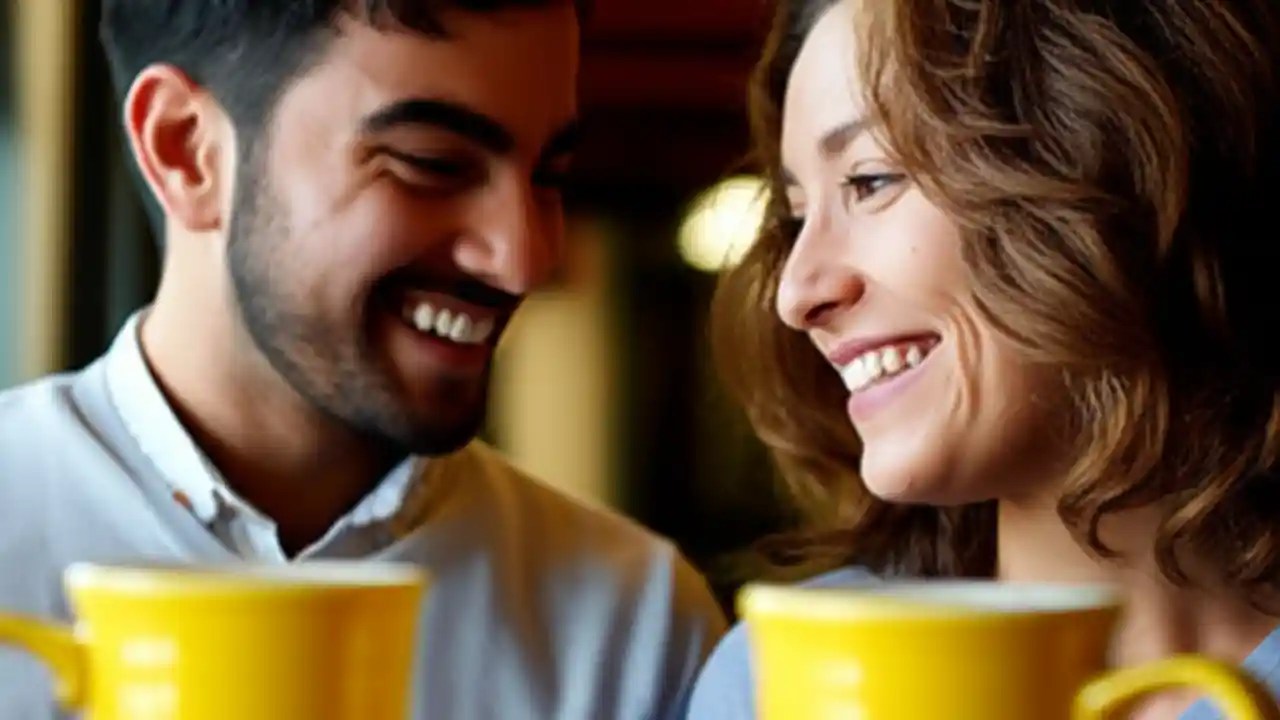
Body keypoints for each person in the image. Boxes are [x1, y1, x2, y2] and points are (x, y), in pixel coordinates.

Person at [0, 1, 728, 718]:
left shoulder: (637, 632)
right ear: (186, 150)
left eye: (549, 176)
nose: (525, 259)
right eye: (430, 164)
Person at [685, 0, 1280, 717]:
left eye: (871, 181)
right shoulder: (773, 681)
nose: (796, 294)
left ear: (1113, 166)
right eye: (796, 215)